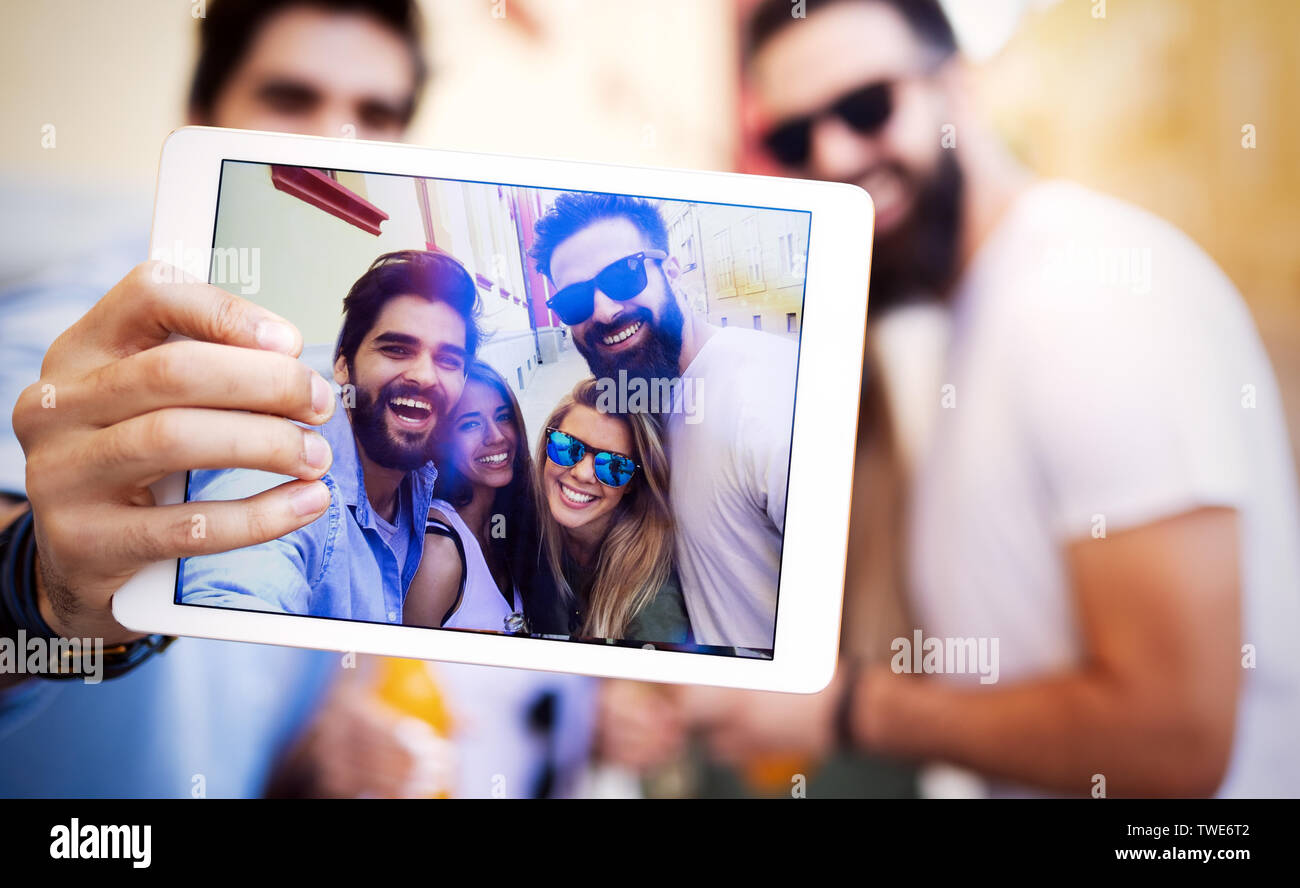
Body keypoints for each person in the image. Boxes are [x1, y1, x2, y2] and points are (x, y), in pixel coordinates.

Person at [685, 0, 1300, 798]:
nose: (834, 155)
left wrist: (848, 711)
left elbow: (1173, 738)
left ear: (958, 89)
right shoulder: (971, 317)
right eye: (795, 138)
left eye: (867, 108)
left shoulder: (1086, 298)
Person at [2, 0, 593, 799]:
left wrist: (320, 749)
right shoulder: (66, 334)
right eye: (291, 98)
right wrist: (34, 586)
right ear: (200, 119)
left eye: (375, 114)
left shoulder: (365, 409)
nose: (333, 143)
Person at [529, 195, 795, 651]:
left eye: (624, 275)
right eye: (574, 300)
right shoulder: (645, 399)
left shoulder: (769, 400)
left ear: (671, 271)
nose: (605, 311)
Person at [181, 249, 480, 622]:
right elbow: (233, 594)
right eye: (397, 349)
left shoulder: (422, 475)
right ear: (342, 363)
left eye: (449, 360)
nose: (425, 376)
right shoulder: (284, 466)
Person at [531, 378, 689, 645]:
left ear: (631, 485)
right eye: (567, 447)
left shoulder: (652, 610)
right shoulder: (531, 527)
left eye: (613, 466)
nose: (582, 473)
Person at [404, 359, 534, 634]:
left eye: (503, 417)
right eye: (470, 424)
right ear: (442, 442)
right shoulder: (438, 552)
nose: (496, 436)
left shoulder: (503, 521)